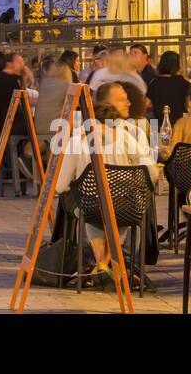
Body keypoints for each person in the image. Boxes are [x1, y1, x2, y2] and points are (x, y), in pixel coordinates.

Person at [55, 82, 159, 286]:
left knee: (92, 206)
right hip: (126, 209)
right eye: (122, 99)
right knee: (117, 208)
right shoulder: (129, 136)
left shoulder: (78, 138)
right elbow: (152, 173)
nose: (128, 102)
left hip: (89, 209)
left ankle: (99, 264)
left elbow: (59, 186)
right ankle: (115, 265)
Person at [146, 51, 191, 124]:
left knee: (155, 135)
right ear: (177, 65)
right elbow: (189, 104)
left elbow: (146, 104)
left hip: (158, 123)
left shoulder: (155, 82)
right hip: (179, 123)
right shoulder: (183, 82)